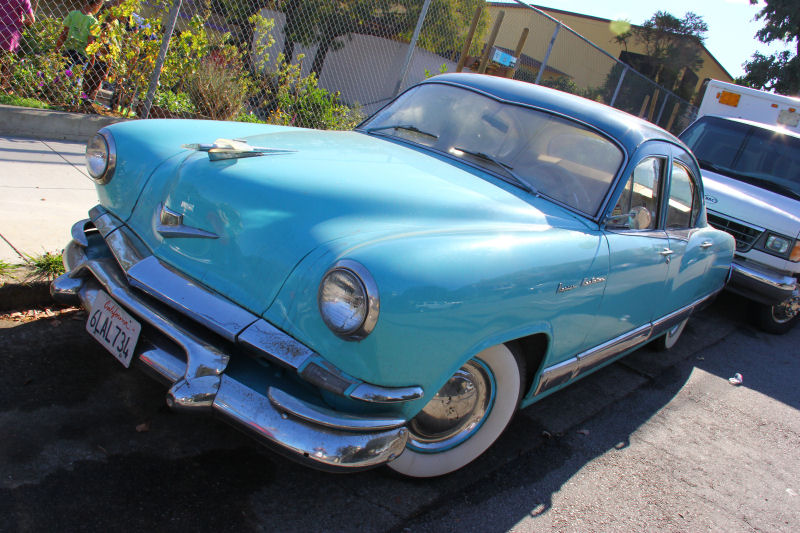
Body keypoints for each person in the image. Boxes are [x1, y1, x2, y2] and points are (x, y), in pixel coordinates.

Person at [0, 0, 35, 93]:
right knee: (6, 62)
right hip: (12, 33)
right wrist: (22, 21)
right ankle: (2, 86)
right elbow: (31, 20)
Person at [55, 0, 103, 68]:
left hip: (68, 51)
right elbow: (90, 42)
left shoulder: (73, 14)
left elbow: (64, 34)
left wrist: (57, 48)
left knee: (63, 72)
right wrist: (92, 57)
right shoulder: (94, 22)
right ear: (97, 5)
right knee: (75, 75)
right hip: (82, 55)